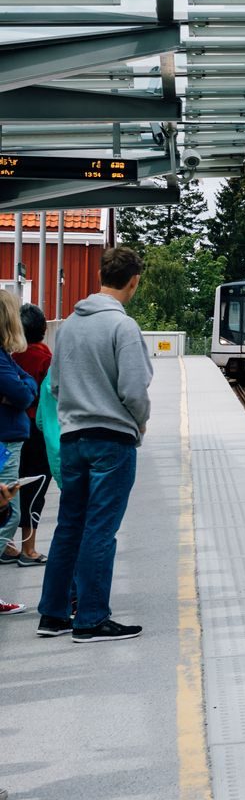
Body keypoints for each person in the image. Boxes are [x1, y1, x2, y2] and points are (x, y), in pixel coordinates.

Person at [38, 247, 151, 643]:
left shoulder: (68, 326)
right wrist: (137, 425)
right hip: (111, 441)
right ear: (133, 281)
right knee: (100, 528)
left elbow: (54, 386)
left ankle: (52, 613)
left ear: (101, 276)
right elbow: (134, 390)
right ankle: (90, 619)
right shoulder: (124, 328)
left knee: (69, 525)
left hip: (73, 440)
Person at [4, 304, 54, 568]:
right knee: (36, 487)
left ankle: (7, 545)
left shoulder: (11, 356)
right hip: (37, 430)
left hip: (15, 430)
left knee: (10, 486)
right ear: (44, 330)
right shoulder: (45, 357)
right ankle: (29, 549)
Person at [0, 292, 36, 618]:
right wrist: (24, 387)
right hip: (4, 445)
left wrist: (23, 386)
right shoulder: (0, 359)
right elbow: (24, 393)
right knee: (6, 513)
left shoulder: (4, 357)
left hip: (8, 442)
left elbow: (24, 387)